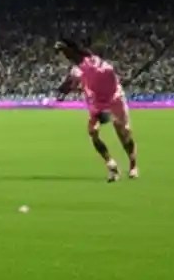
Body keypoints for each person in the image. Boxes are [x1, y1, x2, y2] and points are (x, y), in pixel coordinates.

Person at [55, 38, 138, 181]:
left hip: (114, 98)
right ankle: (111, 164)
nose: (61, 56)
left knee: (123, 131)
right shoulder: (79, 68)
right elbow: (72, 82)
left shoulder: (93, 65)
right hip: (97, 102)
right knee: (93, 131)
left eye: (62, 52)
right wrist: (66, 90)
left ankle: (133, 166)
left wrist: (104, 104)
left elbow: (108, 76)